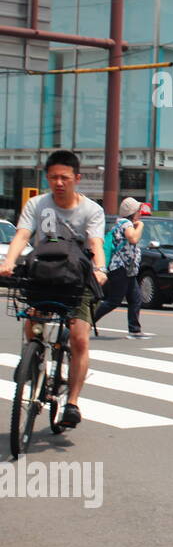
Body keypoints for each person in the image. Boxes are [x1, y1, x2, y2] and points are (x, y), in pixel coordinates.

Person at [0, 150, 108, 429]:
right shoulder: (36, 204)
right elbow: (22, 235)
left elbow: (96, 244)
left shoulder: (91, 210)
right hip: (44, 274)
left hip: (77, 279)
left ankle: (71, 403)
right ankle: (34, 362)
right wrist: (9, 262)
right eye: (53, 177)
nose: (59, 183)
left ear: (77, 178)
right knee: (31, 323)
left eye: (65, 178)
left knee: (79, 338)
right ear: (47, 178)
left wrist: (100, 269)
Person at [92, 197, 150, 339]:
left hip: (126, 269)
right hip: (121, 269)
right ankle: (86, 321)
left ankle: (135, 330)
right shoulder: (126, 224)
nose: (140, 213)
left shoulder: (123, 223)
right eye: (138, 210)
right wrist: (141, 226)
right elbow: (133, 238)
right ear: (132, 212)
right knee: (114, 301)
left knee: (135, 298)